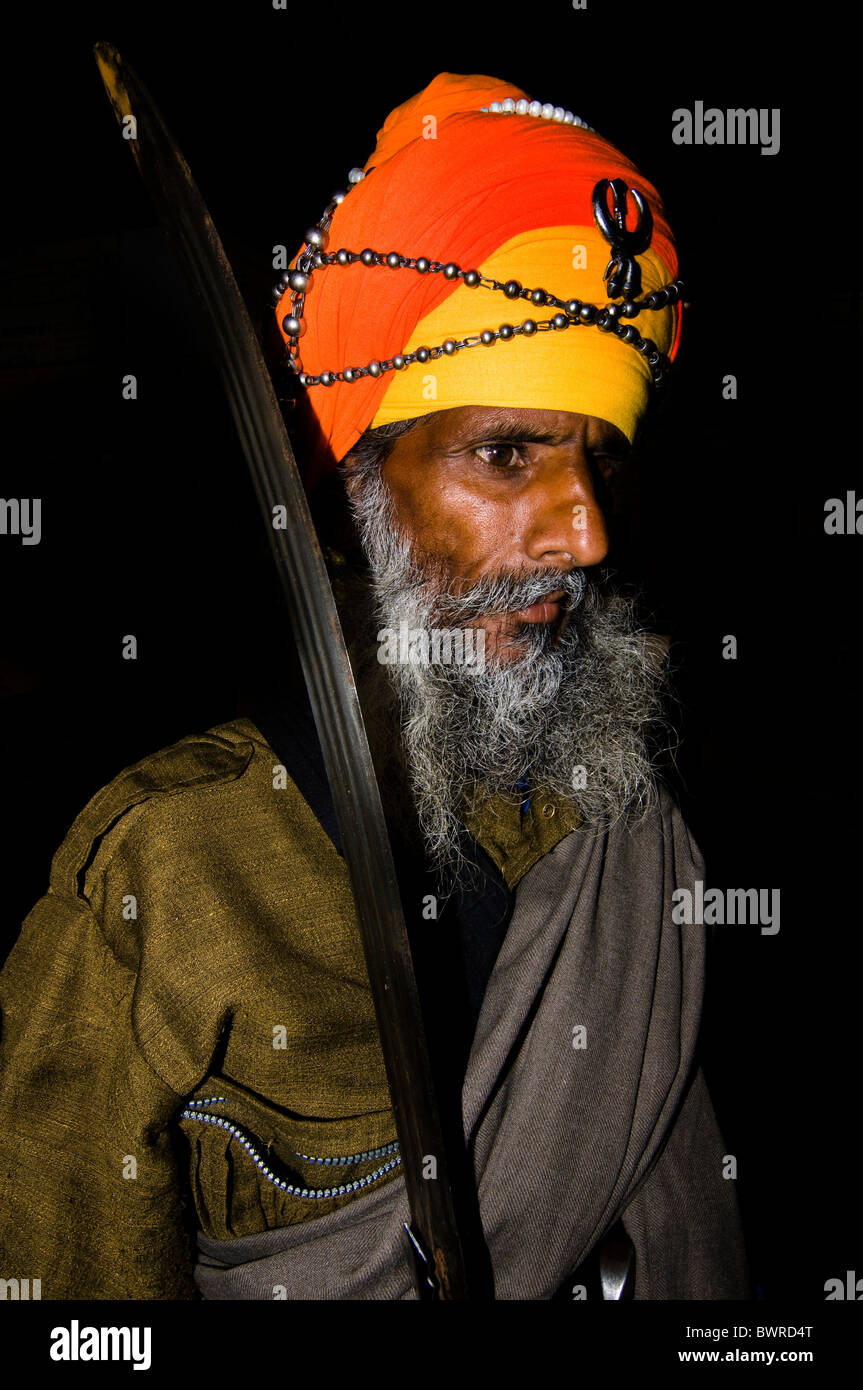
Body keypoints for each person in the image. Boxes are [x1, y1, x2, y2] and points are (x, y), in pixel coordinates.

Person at [0, 72, 750, 1300]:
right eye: (504, 453)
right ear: (354, 482)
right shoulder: (168, 870)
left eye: (596, 465)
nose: (585, 532)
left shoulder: (622, 809)